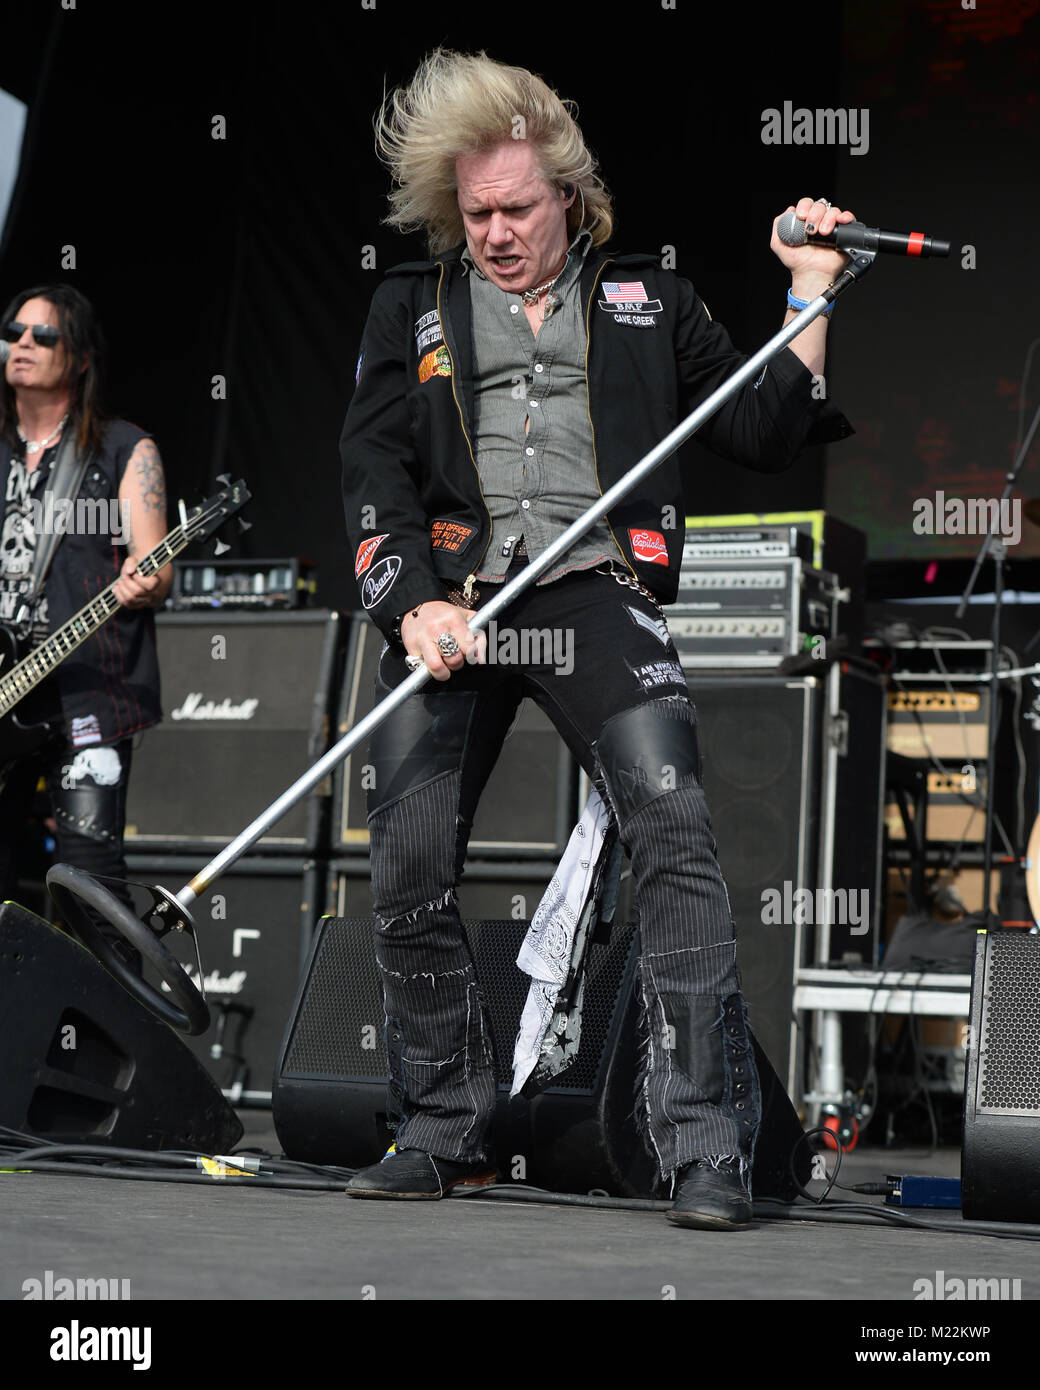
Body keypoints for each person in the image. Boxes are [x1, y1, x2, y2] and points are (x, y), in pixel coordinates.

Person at [340, 50, 854, 1228]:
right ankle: (442, 1126)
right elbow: (369, 464)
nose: (497, 231)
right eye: (474, 213)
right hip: (456, 592)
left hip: (592, 586)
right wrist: (409, 596)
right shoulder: (404, 310)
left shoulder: (648, 303)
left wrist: (809, 288)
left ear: (568, 194)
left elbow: (770, 424)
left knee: (671, 828)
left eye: (517, 207)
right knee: (407, 855)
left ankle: (704, 1150)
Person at [0, 284, 172, 949]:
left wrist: (147, 578)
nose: (22, 344)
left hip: (85, 692)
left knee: (88, 883)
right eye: (14, 331)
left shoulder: (126, 449)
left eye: (43, 336)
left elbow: (156, 567)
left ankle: (107, 1041)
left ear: (78, 358)